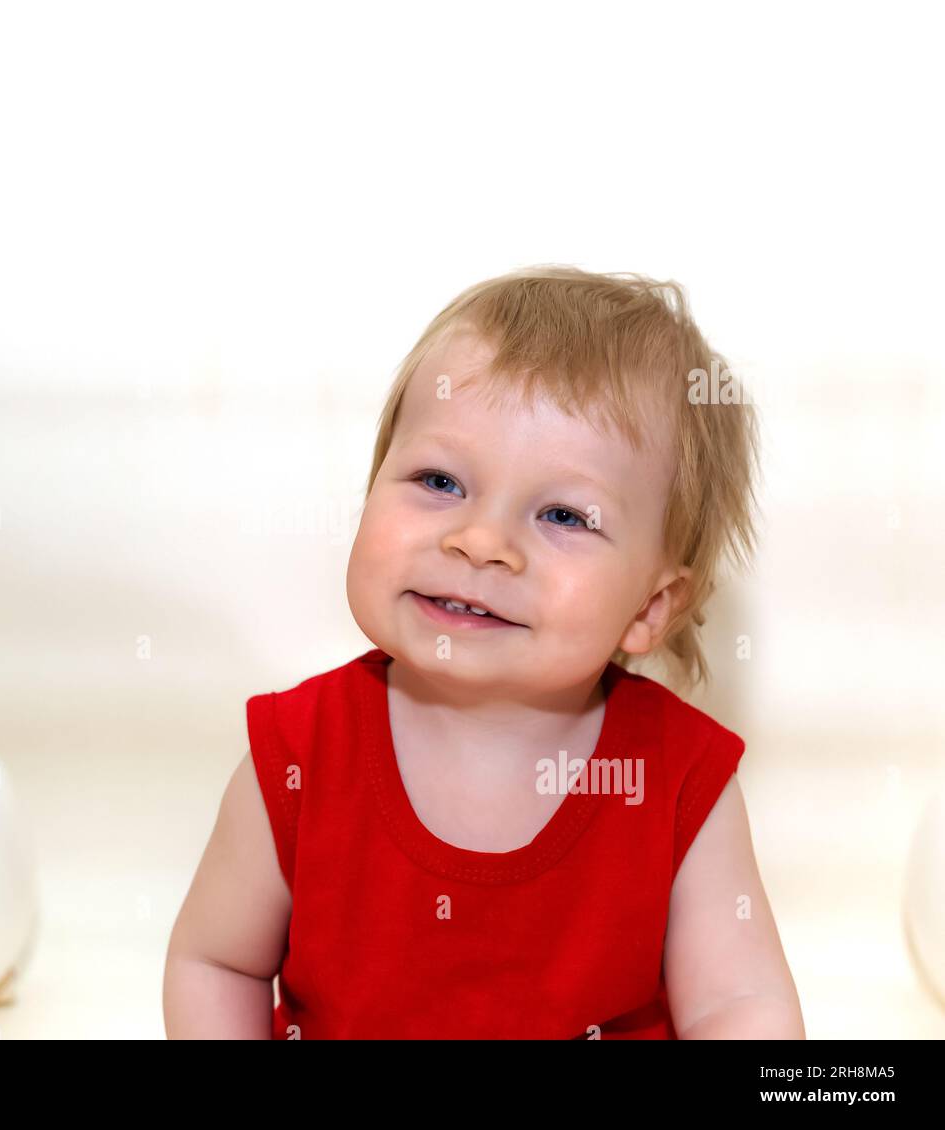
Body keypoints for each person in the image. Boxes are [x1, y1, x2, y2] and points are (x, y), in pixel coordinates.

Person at [163, 266, 804, 1039]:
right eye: (440, 480)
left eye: (563, 515)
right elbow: (217, 963)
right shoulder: (300, 755)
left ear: (650, 606)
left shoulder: (676, 782)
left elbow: (738, 1005)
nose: (480, 541)